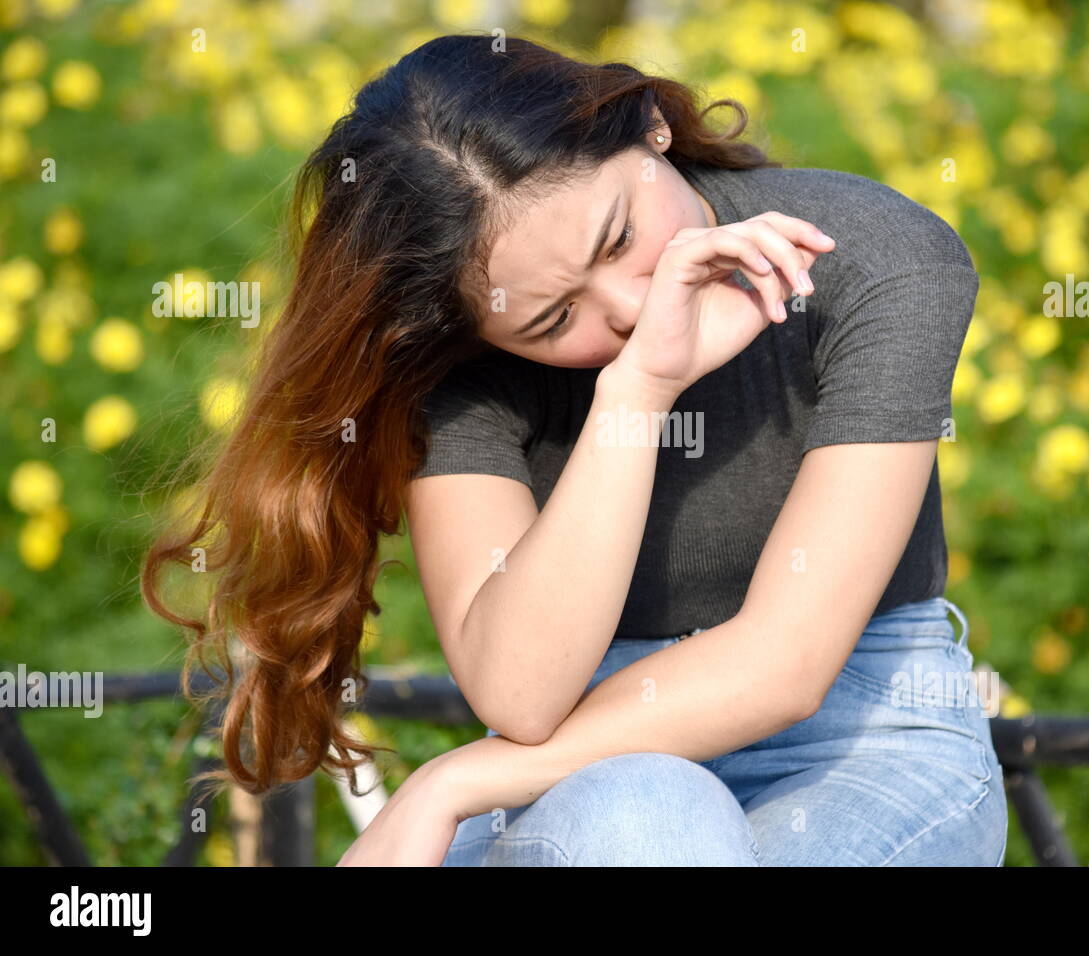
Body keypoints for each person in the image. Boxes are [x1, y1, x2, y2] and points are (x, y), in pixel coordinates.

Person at [142, 33, 1007, 867]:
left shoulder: (876, 258)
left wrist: (452, 782)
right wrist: (637, 393)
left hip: (869, 739)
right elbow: (521, 693)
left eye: (620, 239)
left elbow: (788, 665)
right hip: (584, 761)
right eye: (555, 320)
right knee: (645, 811)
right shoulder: (468, 365)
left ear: (649, 128)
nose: (628, 310)